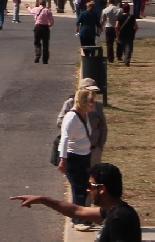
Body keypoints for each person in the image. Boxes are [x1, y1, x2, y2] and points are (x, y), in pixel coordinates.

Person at [12, 161, 140, 240]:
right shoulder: (111, 212)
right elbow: (77, 211)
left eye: (90, 186)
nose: (88, 190)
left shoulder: (120, 218)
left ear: (102, 188)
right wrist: (44, 200)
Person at [57, 86, 95, 229]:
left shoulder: (85, 115)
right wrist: (63, 159)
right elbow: (65, 139)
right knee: (78, 187)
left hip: (84, 156)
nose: (93, 104)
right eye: (90, 101)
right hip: (73, 157)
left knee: (85, 187)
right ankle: (77, 220)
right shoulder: (72, 117)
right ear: (83, 101)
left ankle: (82, 217)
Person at [30, 0, 54, 64]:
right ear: (45, 3)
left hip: (38, 27)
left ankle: (38, 54)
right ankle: (45, 60)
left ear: (39, 3)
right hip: (45, 27)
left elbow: (30, 11)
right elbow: (51, 22)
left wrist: (28, 7)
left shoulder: (36, 9)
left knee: (37, 42)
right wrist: (49, 25)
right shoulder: (47, 11)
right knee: (45, 43)